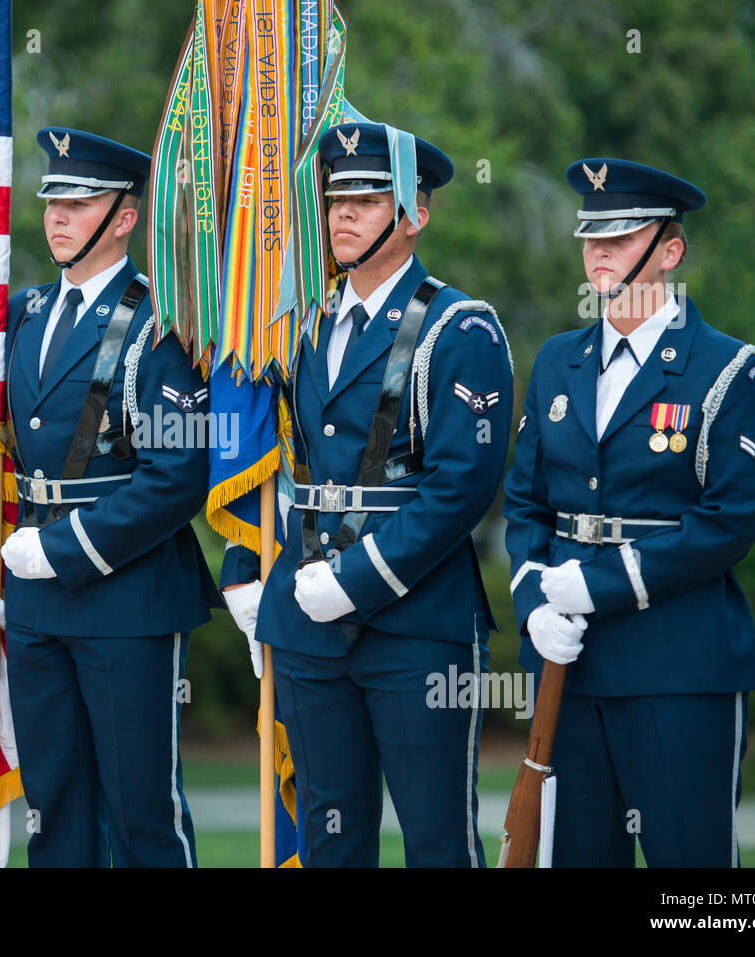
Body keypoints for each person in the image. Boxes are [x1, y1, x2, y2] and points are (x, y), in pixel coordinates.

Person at [221, 122, 514, 866]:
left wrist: (355, 581)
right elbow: (273, 453)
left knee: (437, 841)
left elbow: (460, 488)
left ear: (415, 213)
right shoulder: (299, 323)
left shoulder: (460, 327)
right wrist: (243, 561)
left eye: (367, 197)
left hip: (415, 621)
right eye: (334, 197)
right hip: (306, 619)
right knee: (330, 841)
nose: (342, 213)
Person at [0, 128, 221, 867]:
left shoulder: (161, 324)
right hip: (34, 604)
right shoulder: (21, 316)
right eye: (52, 201)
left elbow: (179, 474)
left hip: (127, 597)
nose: (58, 217)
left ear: (125, 216)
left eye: (80, 202)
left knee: (142, 815)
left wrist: (61, 548)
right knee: (55, 813)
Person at [503, 158, 755, 867]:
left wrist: (600, 582)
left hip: (678, 662)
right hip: (571, 662)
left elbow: (731, 517)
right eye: (591, 237)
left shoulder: (724, 367)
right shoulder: (559, 361)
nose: (598, 252)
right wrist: (532, 597)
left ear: (670, 251)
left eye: (619, 238)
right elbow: (524, 500)